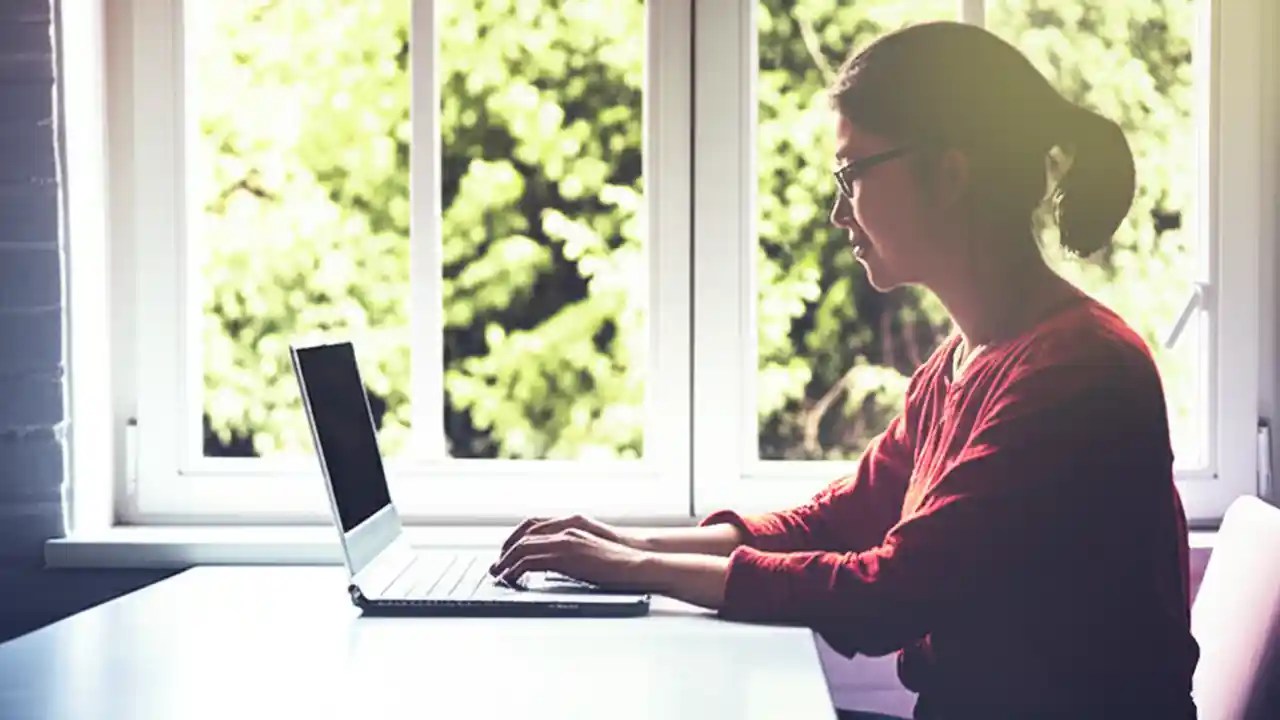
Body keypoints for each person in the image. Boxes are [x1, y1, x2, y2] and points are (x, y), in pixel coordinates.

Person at [489, 21, 1198, 719]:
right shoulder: (960, 364)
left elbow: (883, 596)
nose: (837, 212)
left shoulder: (1079, 373)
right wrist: (621, 544)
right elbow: (841, 520)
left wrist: (636, 571)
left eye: (853, 174)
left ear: (950, 173)